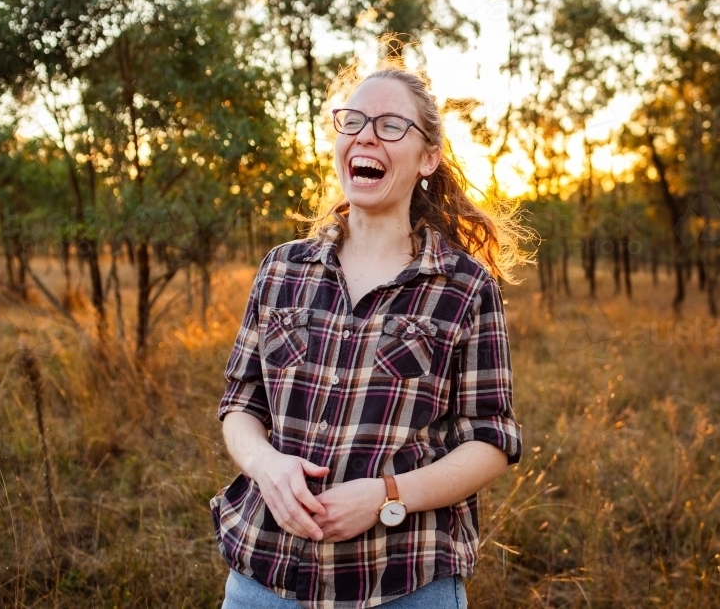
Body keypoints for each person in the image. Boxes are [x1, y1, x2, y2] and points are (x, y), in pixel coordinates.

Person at [211, 60, 531, 609]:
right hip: (265, 577)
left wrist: (387, 497)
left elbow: (491, 440)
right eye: (353, 120)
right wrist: (267, 466)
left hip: (402, 583)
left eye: (389, 125)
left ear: (428, 158)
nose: (365, 135)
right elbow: (241, 403)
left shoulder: (463, 286)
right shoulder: (282, 269)